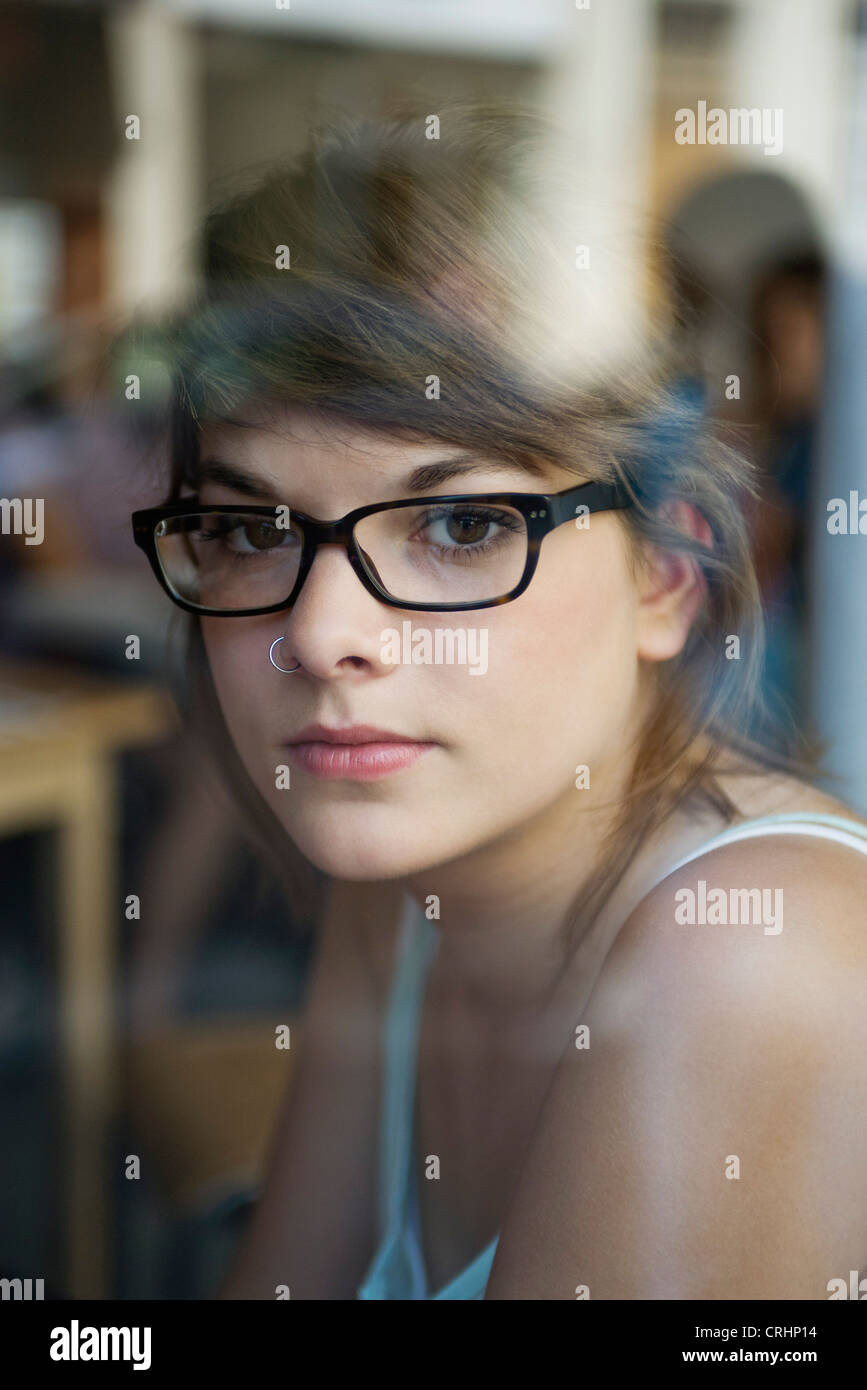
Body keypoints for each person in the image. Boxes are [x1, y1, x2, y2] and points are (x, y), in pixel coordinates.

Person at [127, 104, 867, 1300]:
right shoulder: (409, 891)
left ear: (668, 572)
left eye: (463, 526)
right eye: (252, 529)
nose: (320, 636)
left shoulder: (743, 959)